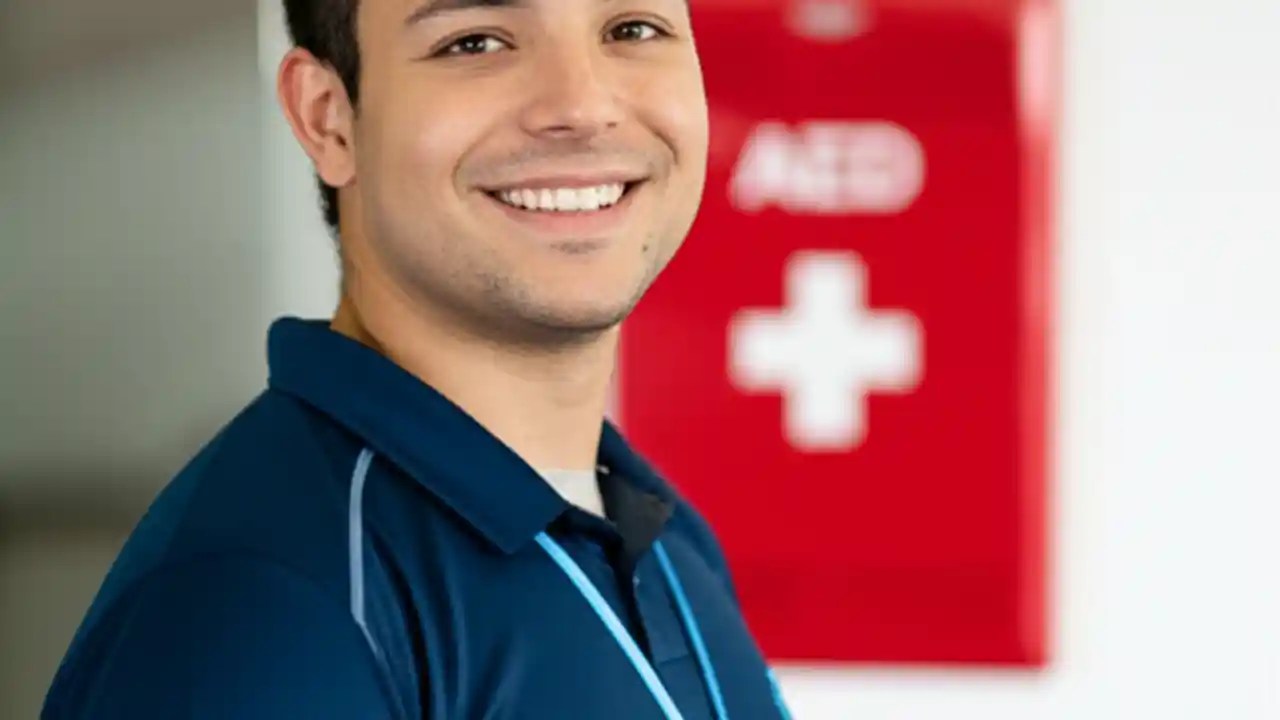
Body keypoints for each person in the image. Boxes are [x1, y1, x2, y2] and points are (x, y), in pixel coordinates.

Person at [43, 0, 793, 717]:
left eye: (633, 26)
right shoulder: (262, 605)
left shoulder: (664, 542)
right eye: (474, 42)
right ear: (327, 117)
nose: (582, 103)